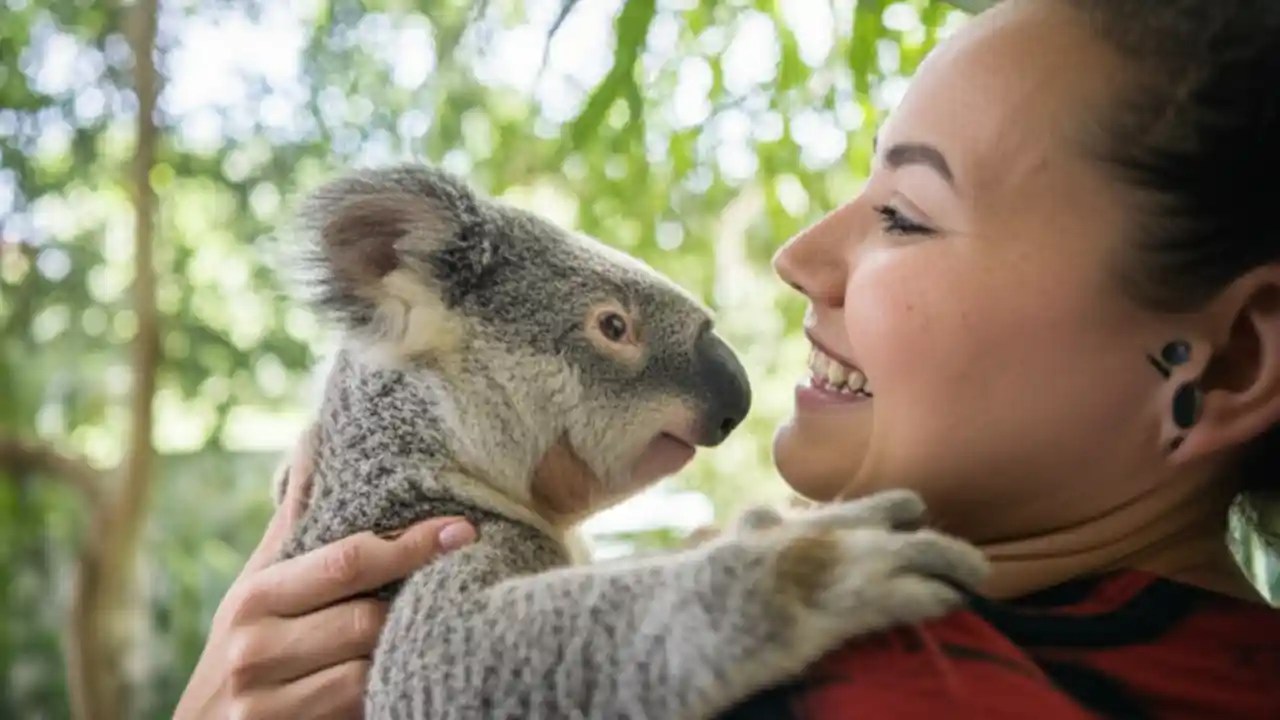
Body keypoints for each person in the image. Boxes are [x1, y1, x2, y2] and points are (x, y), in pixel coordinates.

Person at [177, 0, 1280, 716]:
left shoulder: (854, 675)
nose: (800, 258)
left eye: (904, 213)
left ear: (1224, 363)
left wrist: (743, 597)